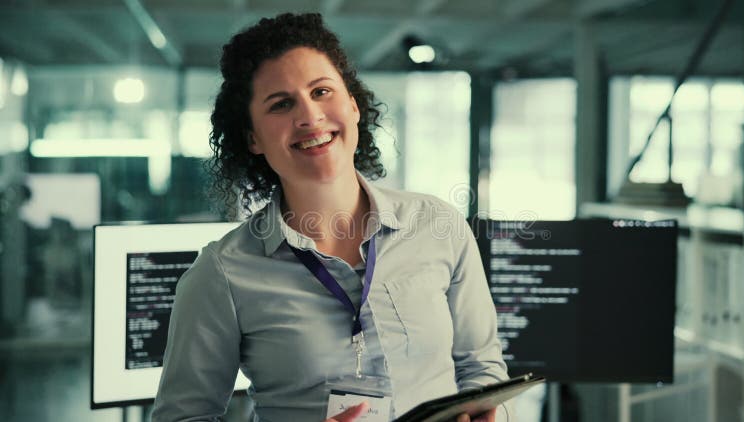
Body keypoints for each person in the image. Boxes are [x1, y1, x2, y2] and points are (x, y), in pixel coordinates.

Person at [151, 12, 510, 422]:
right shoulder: (222, 273)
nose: (309, 116)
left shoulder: (438, 226)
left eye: (321, 91)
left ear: (354, 105)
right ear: (252, 138)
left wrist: (492, 415)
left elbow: (482, 367)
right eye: (281, 104)